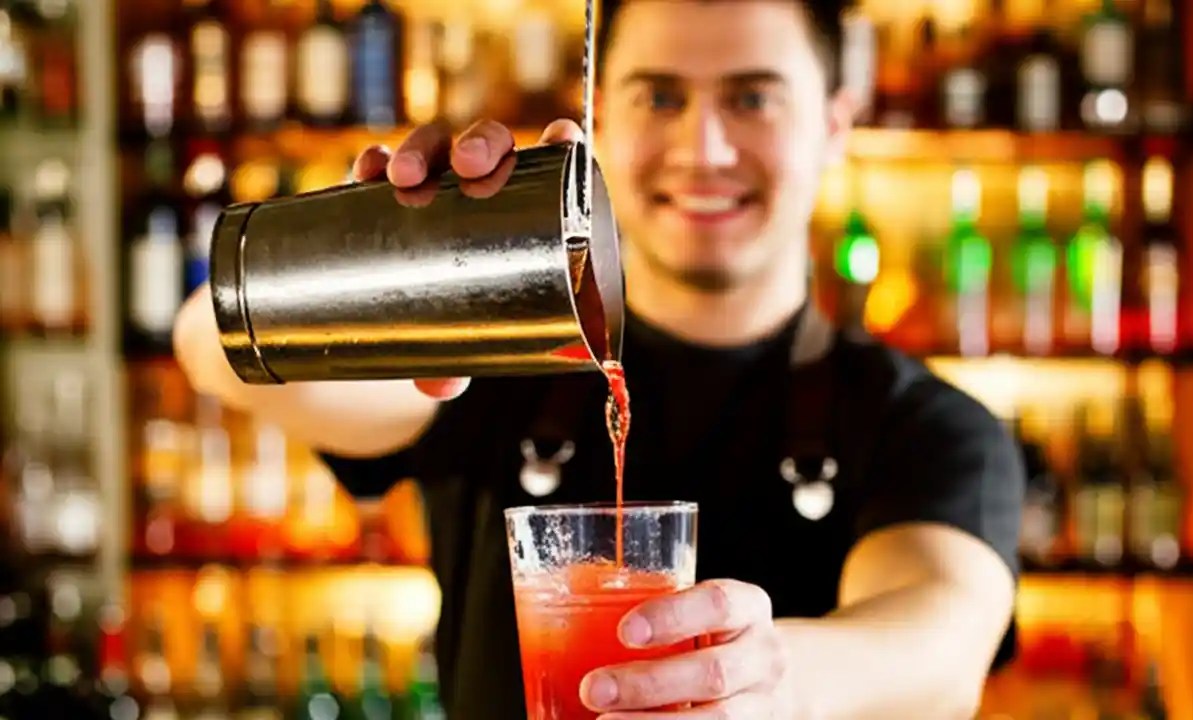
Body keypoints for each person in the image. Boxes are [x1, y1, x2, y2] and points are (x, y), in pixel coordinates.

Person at [174, 0, 1025, 717]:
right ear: (602, 120)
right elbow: (207, 345)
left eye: (753, 100)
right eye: (659, 97)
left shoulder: (931, 427)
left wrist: (755, 680)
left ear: (835, 123)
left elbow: (941, 644)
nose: (704, 149)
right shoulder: (495, 366)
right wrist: (396, 268)